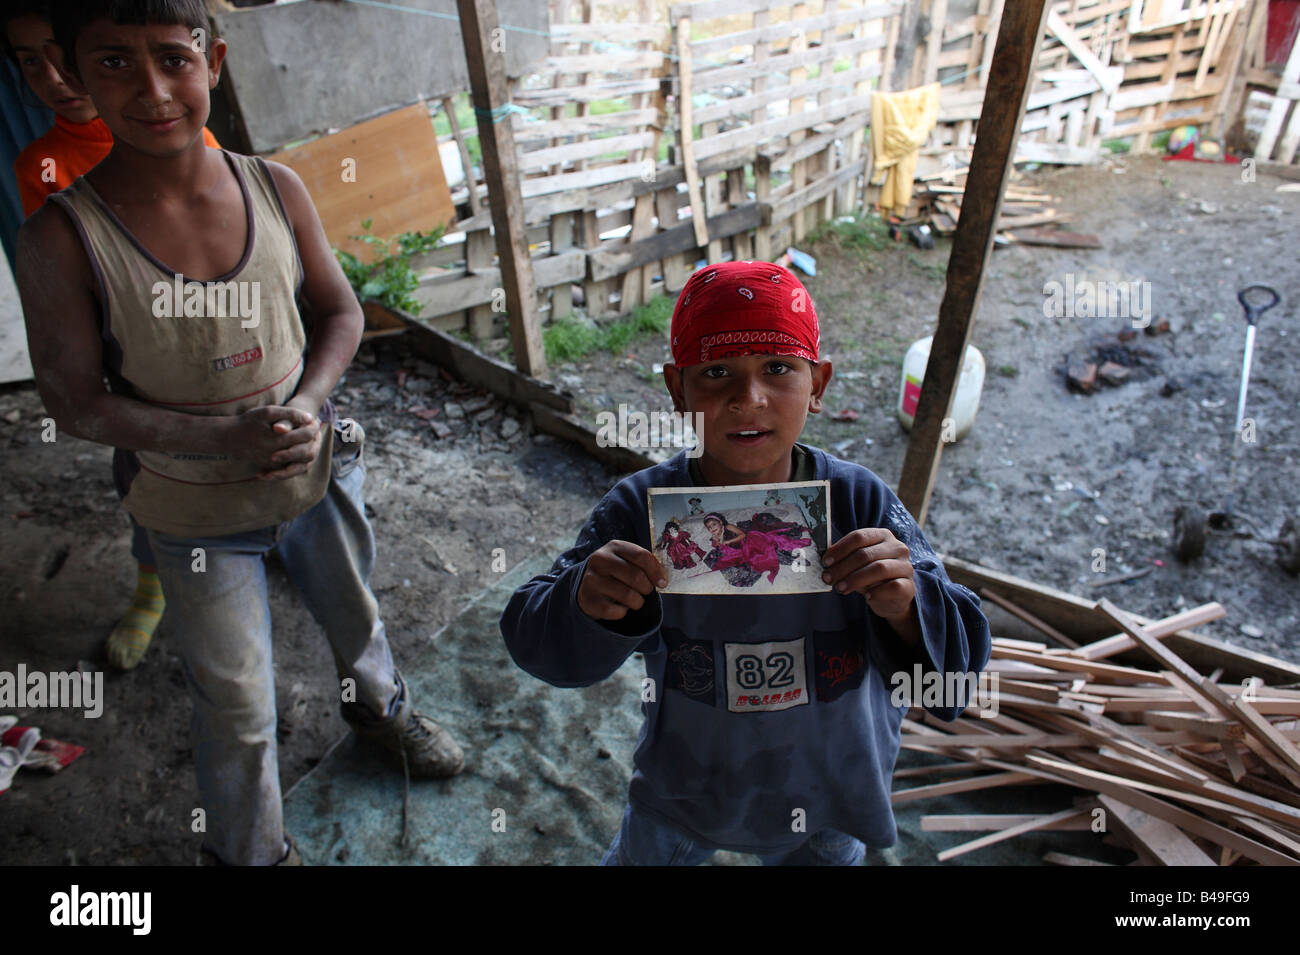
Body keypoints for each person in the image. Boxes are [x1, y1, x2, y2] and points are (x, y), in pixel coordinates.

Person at [16, 0, 464, 865]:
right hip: (191, 512)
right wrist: (223, 439)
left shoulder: (276, 187)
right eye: (112, 63)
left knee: (354, 611)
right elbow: (75, 402)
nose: (150, 89)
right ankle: (253, 851)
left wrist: (309, 399)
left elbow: (338, 312)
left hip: (316, 467)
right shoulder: (63, 238)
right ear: (72, 75)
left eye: (171, 58)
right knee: (236, 700)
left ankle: (381, 709)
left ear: (213, 62)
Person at [500, 260, 990, 865]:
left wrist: (911, 608)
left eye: (778, 369)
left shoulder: (861, 504)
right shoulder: (640, 511)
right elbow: (538, 645)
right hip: (686, 789)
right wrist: (584, 602)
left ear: (819, 383)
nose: (748, 398)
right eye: (717, 373)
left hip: (829, 796)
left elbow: (953, 680)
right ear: (677, 390)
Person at [4, 0, 221, 669]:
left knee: (248, 452)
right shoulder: (43, 166)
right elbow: (69, 278)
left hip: (216, 336)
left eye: (54, 53)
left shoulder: (184, 136)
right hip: (133, 356)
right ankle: (154, 586)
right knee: (148, 473)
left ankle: (262, 548)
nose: (51, 77)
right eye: (27, 64)